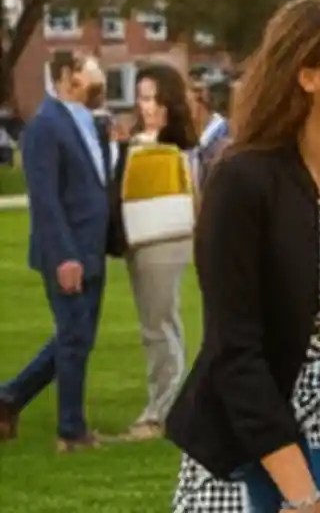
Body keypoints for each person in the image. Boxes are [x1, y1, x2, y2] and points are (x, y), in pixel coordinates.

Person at [166, 0, 320, 512]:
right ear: (308, 75)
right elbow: (235, 352)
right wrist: (303, 496)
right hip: (253, 437)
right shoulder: (243, 181)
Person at [0, 51, 110, 452]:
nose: (100, 75)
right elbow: (46, 200)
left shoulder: (92, 124)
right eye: (91, 68)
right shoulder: (45, 126)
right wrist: (65, 256)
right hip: (67, 254)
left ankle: (9, 398)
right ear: (68, 76)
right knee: (74, 338)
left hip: (93, 251)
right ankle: (71, 431)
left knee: (75, 338)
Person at [114, 63, 200, 441]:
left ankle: (161, 411)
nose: (146, 106)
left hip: (164, 238)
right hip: (139, 237)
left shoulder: (175, 147)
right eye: (142, 98)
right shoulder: (137, 141)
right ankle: (166, 404)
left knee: (159, 323)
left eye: (153, 98)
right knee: (157, 324)